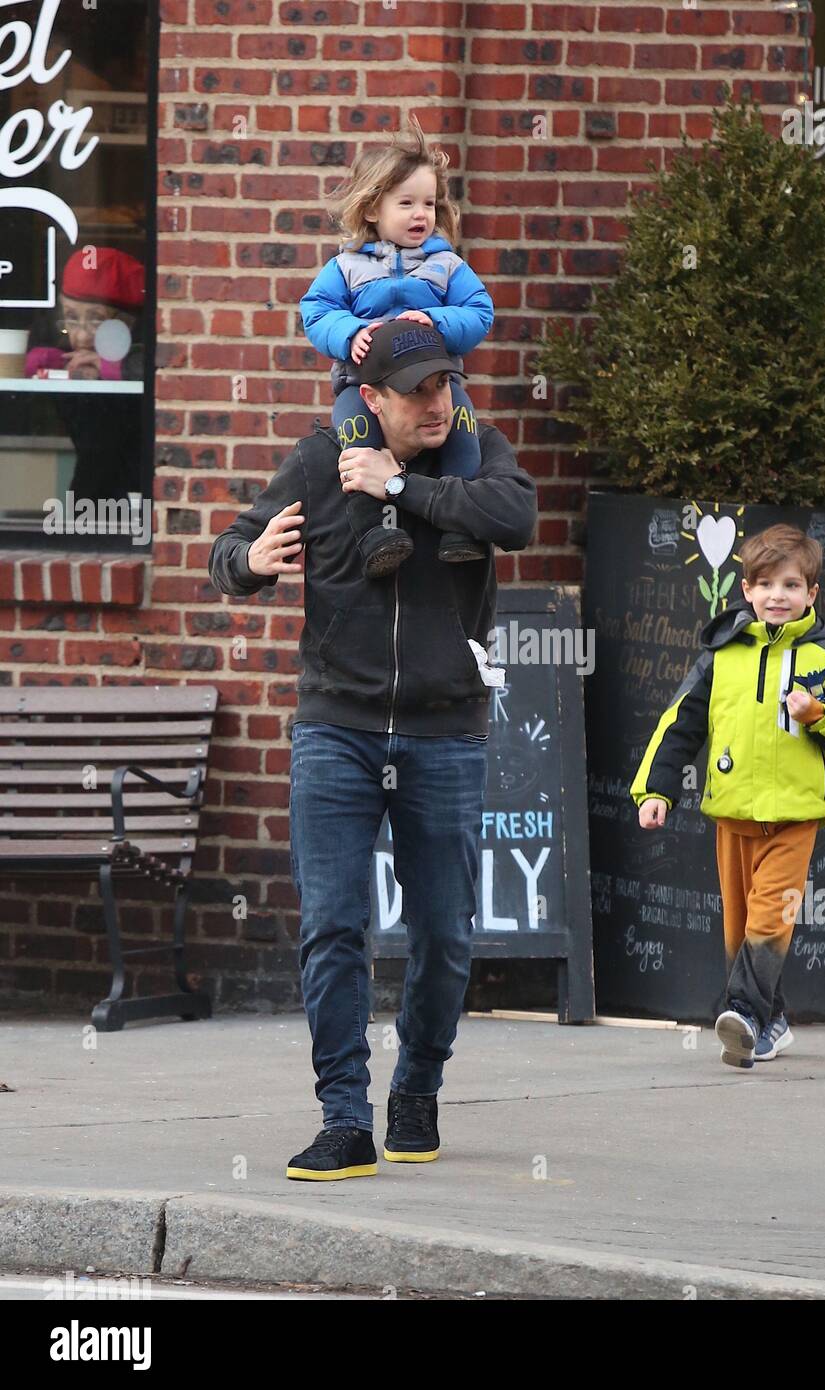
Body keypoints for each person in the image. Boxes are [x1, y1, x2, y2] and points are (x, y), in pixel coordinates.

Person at [208, 320, 536, 1179]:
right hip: (337, 727)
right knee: (334, 924)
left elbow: (518, 517)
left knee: (444, 930)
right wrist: (253, 560)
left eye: (446, 385)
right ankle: (344, 1116)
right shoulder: (320, 460)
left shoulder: (475, 449)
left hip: (445, 726)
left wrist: (403, 488)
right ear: (373, 399)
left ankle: (417, 1087)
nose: (439, 401)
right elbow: (225, 551)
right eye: (418, 390)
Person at [630, 524, 825, 1069]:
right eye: (765, 584)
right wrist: (656, 790)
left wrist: (820, 714)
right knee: (739, 928)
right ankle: (771, 1022)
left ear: (812, 594)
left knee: (770, 920)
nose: (777, 596)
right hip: (733, 814)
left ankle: (742, 1011)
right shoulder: (722, 655)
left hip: (795, 816)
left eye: (791, 585)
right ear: (745, 590)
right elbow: (679, 725)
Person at [300, 114, 493, 575]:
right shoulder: (345, 267)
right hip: (361, 387)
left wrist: (436, 320)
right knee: (357, 441)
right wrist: (349, 332)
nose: (421, 214)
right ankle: (372, 533)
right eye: (406, 203)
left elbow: (480, 313)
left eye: (428, 203)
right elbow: (315, 312)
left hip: (431, 383)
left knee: (463, 429)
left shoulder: (447, 265)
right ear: (372, 209)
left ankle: (459, 528)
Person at [25, 246, 145, 503]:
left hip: (141, 490)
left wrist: (113, 369)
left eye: (96, 320)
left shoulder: (144, 352)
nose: (80, 336)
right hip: (87, 491)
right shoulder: (62, 351)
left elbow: (163, 371)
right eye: (71, 317)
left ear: (128, 324)